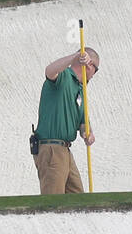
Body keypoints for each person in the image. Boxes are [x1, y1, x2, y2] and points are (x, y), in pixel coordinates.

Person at [33, 47, 99, 194]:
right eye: (96, 69)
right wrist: (75, 57)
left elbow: (83, 122)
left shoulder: (80, 90)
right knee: (54, 201)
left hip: (66, 150)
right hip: (51, 149)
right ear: (89, 65)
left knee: (77, 196)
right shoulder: (64, 77)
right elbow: (49, 71)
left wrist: (87, 133)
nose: (94, 75)